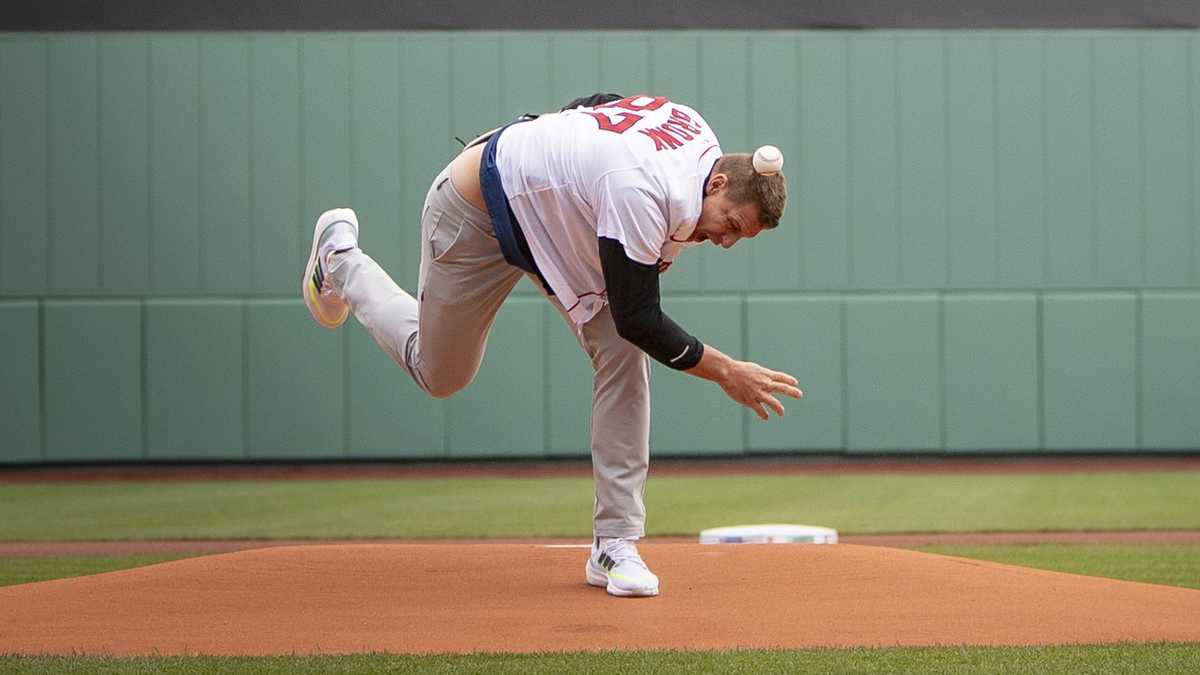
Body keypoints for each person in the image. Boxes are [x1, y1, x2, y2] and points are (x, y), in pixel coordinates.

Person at [302, 93, 803, 598]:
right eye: (732, 224)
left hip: (559, 226)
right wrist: (726, 371)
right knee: (441, 373)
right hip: (477, 207)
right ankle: (341, 259)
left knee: (622, 357)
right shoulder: (644, 190)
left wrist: (559, 167)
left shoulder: (694, 131)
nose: (725, 240)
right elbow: (639, 317)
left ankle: (615, 543)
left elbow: (598, 103)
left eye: (741, 237)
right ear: (716, 182)